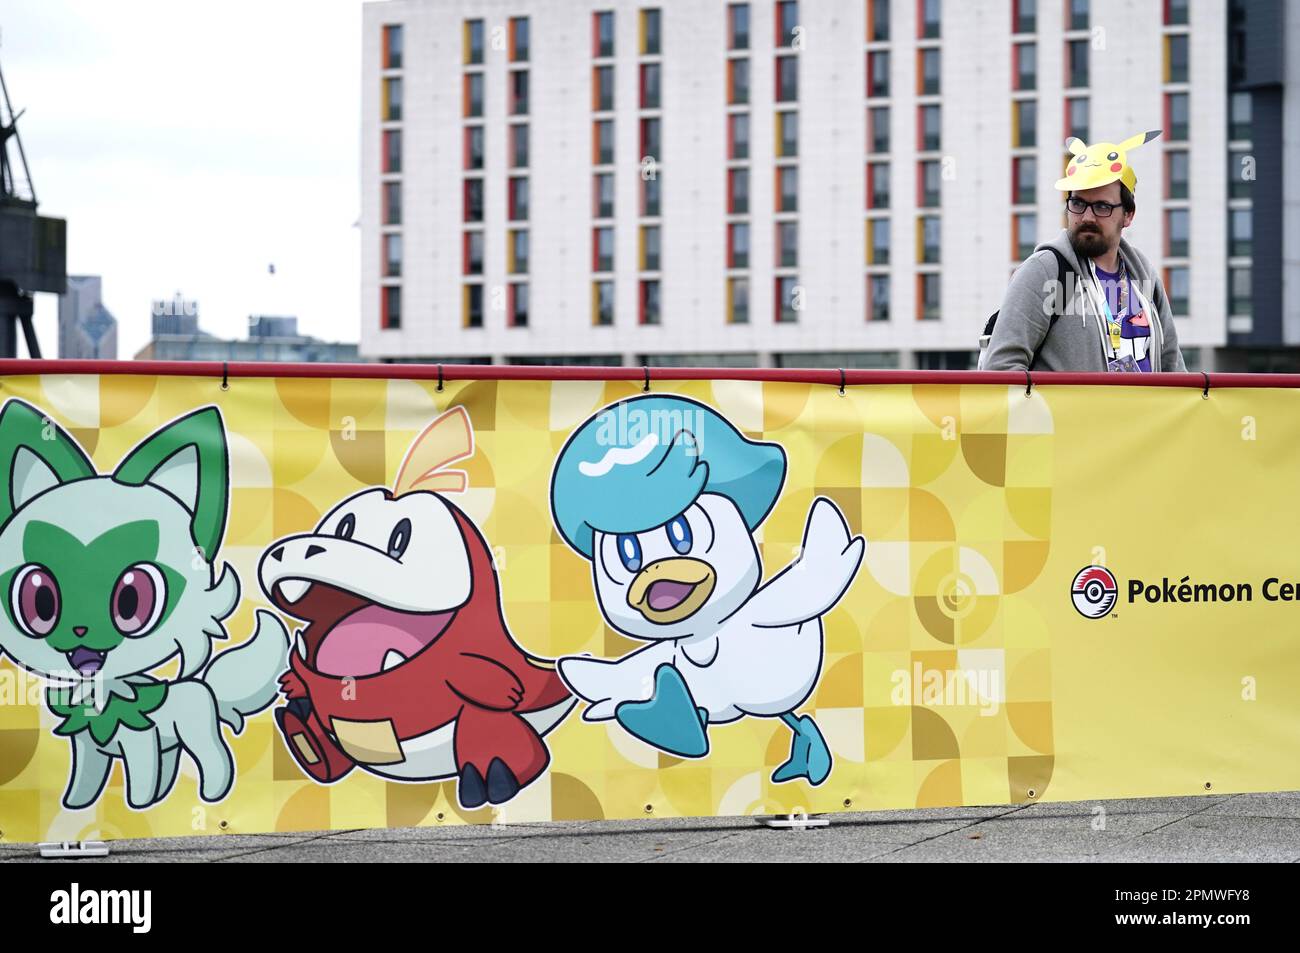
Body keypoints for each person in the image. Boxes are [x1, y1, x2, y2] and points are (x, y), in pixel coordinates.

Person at [983, 130, 1187, 373]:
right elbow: (1000, 369)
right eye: (1078, 203)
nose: (1087, 217)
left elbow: (1174, 371)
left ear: (1128, 215)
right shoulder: (1045, 271)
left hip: (1147, 412)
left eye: (1102, 206)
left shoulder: (1145, 277)